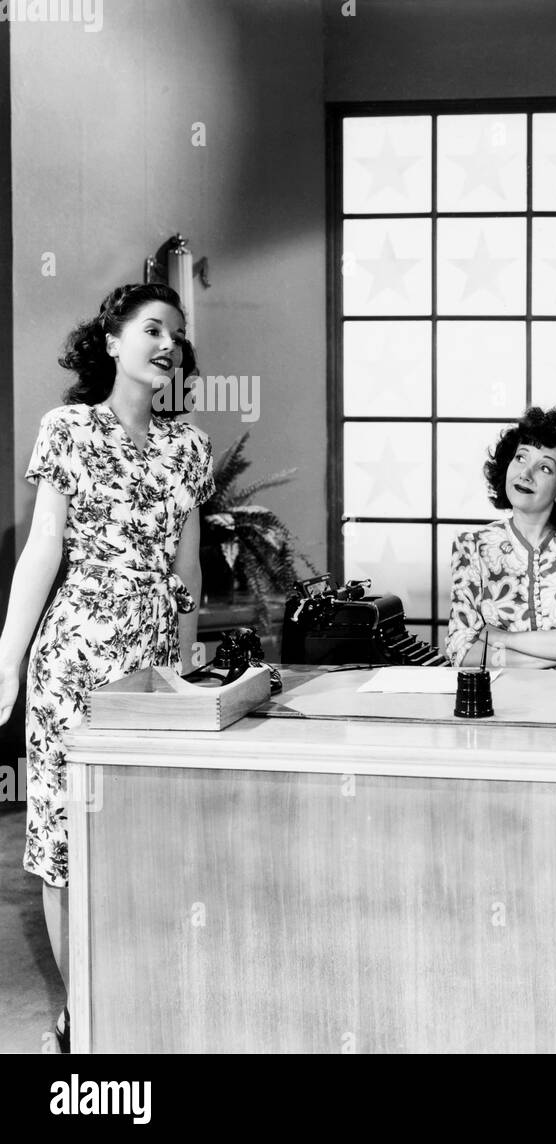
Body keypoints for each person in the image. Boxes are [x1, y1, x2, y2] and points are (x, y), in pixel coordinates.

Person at [0, 283, 213, 1050]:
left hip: (152, 672)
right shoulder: (67, 429)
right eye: (153, 328)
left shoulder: (189, 445)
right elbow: (43, 549)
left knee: (141, 837)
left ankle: (133, 997)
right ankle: (84, 1014)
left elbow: (188, 566)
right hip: (76, 667)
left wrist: (185, 662)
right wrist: (8, 658)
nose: (168, 344)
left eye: (177, 335)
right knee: (63, 847)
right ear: (113, 340)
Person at [445, 406, 556, 671]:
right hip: (498, 699)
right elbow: (461, 649)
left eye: (545, 468)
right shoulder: (471, 545)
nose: (526, 473)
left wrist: (501, 638)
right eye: (521, 458)